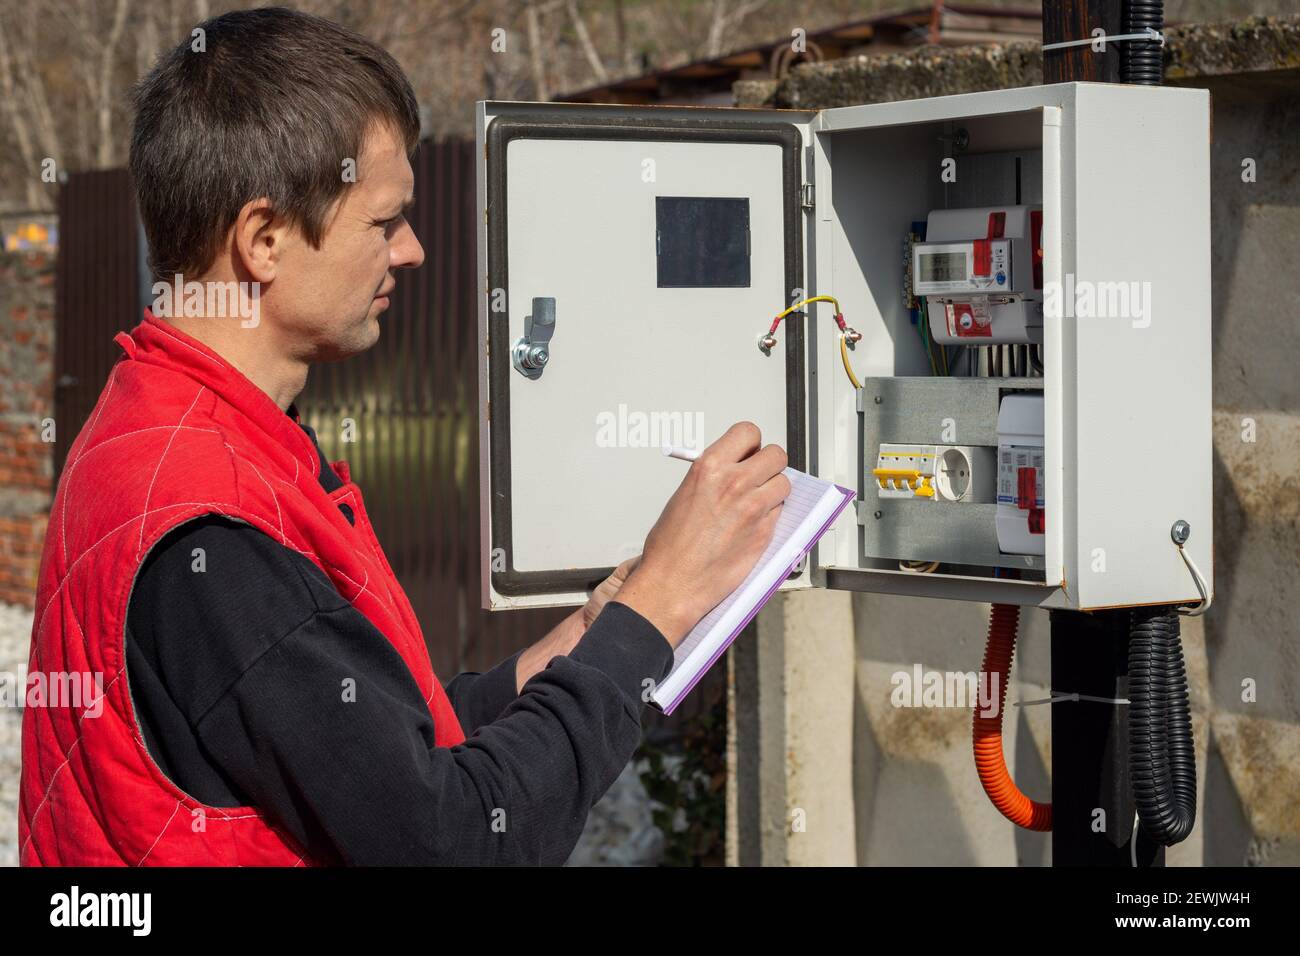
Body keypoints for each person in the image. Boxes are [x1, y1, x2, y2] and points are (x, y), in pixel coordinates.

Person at [18, 6, 790, 866]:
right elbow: (451, 840)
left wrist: (587, 640)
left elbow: (363, 746)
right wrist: (657, 611)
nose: (414, 250)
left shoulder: (160, 422)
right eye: (384, 222)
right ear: (264, 240)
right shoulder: (216, 534)